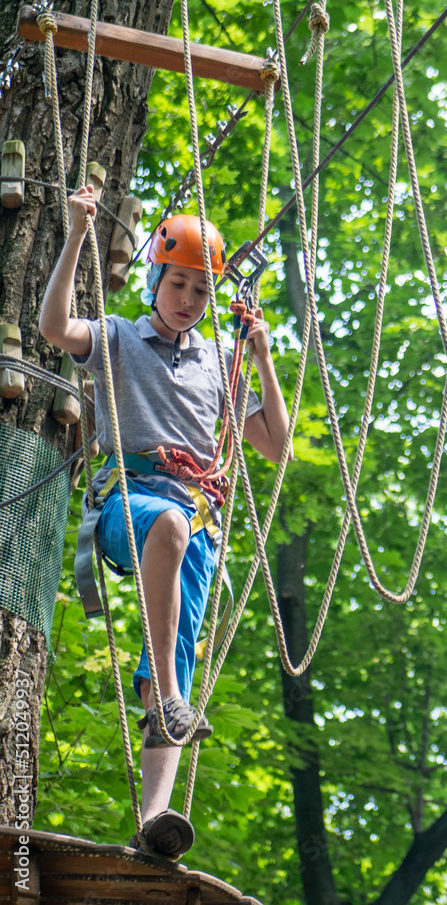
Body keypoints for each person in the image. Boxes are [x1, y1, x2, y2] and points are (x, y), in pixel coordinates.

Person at [39, 184, 292, 859]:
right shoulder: (120, 338)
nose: (188, 300)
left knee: (173, 658)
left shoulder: (217, 361)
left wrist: (261, 358)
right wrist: (75, 235)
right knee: (169, 532)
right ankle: (173, 693)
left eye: (201, 292)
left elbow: (276, 446)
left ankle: (156, 820)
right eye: (178, 283)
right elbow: (56, 329)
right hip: (130, 497)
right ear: (155, 280)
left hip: (196, 512)